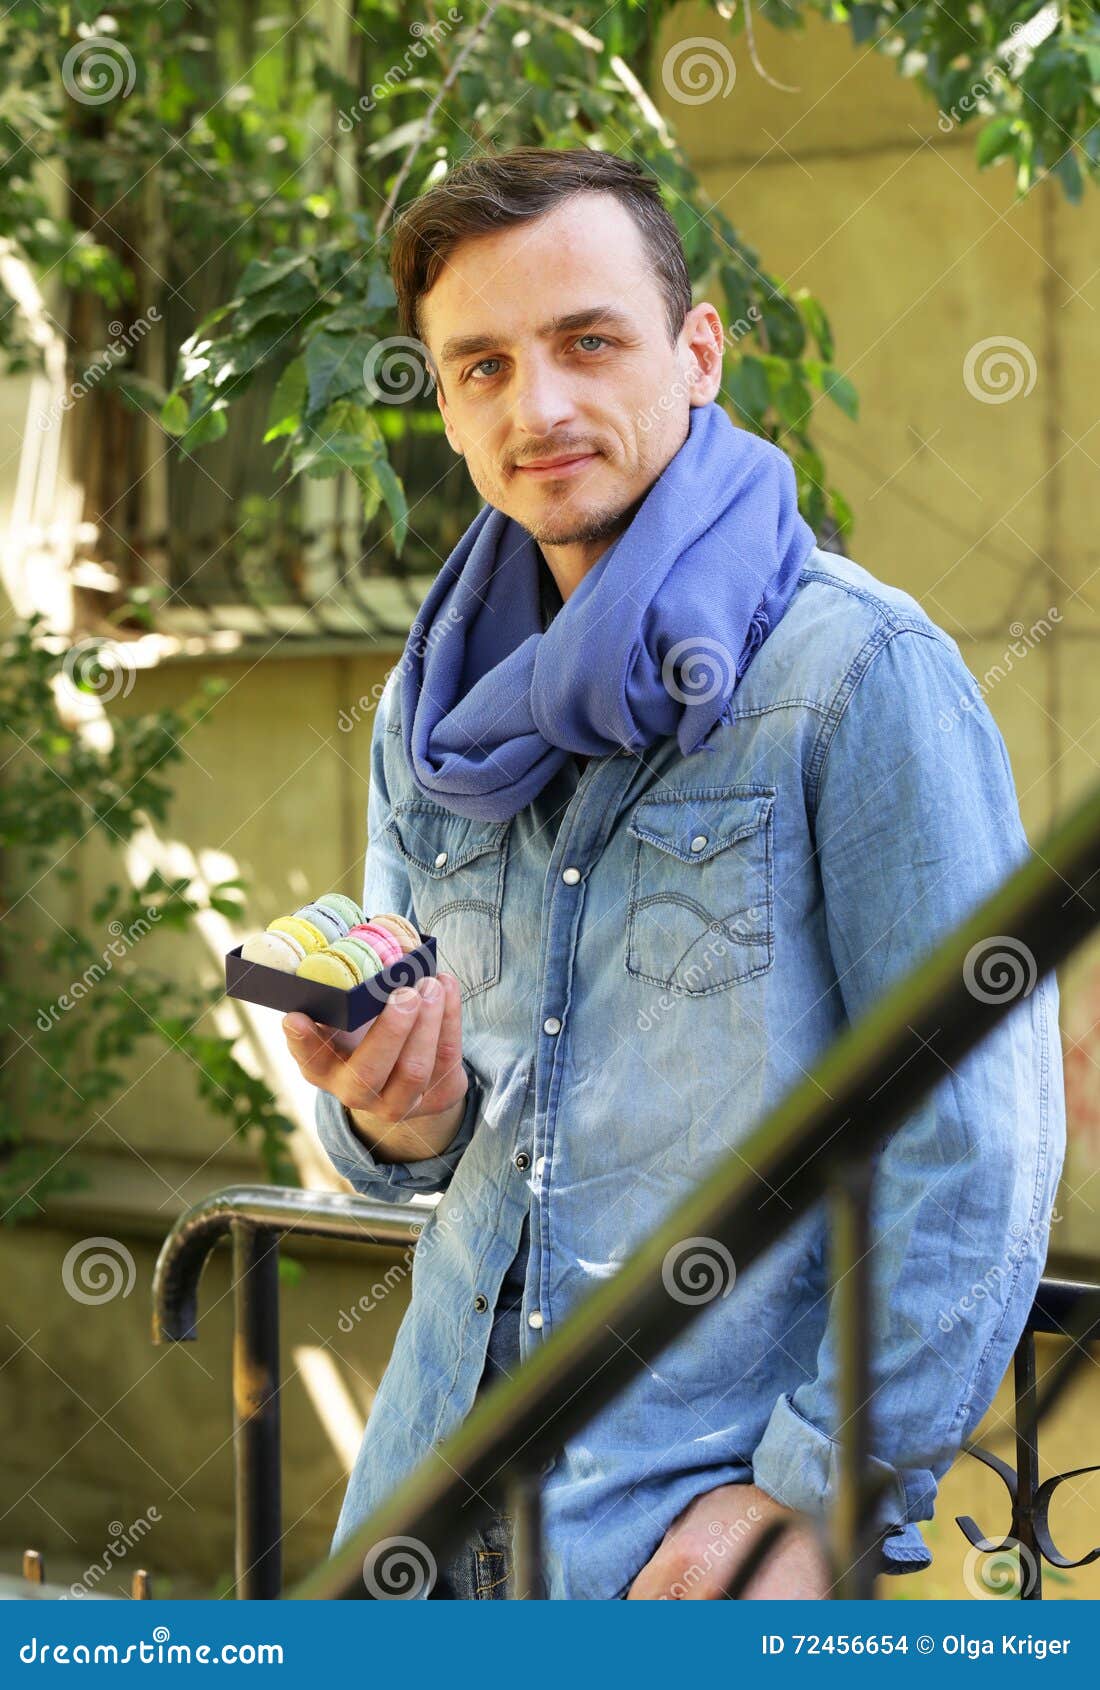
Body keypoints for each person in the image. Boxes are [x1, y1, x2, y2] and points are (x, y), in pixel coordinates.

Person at [281, 147, 1065, 1600]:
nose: (543, 407)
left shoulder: (857, 675)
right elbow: (426, 1155)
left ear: (697, 351)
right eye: (483, 366)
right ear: (445, 403)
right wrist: (395, 1108)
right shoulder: (432, 699)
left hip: (671, 1550)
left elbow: (976, 1139)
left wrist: (816, 1497)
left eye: (589, 342)